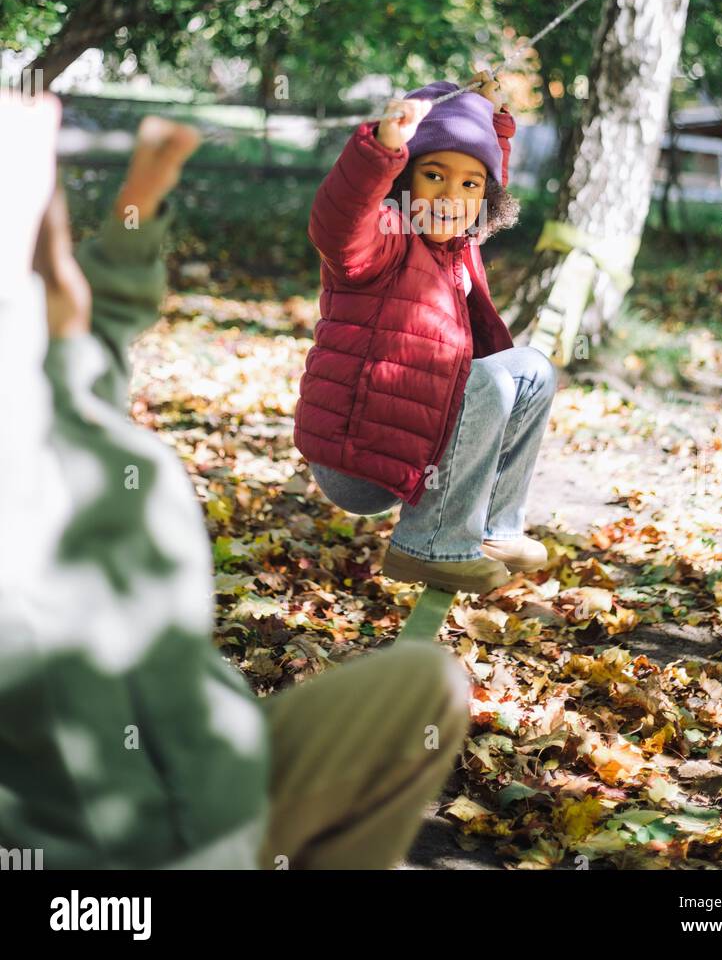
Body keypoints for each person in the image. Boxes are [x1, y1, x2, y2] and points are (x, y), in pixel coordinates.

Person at [0, 94, 468, 870]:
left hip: (226, 775)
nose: (65, 267)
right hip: (113, 853)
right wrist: (381, 151)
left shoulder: (62, 383)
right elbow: (344, 226)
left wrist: (141, 190)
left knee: (423, 687)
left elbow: (97, 320)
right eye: (44, 251)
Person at [294, 69, 558, 596]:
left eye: (468, 185)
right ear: (405, 179)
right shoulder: (384, 239)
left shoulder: (457, 244)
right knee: (486, 384)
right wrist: (383, 147)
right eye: (433, 176)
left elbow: (480, 165)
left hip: (417, 444)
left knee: (533, 370)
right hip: (358, 457)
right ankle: (429, 545)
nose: (450, 196)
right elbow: (338, 219)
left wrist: (491, 115)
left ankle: (493, 529)